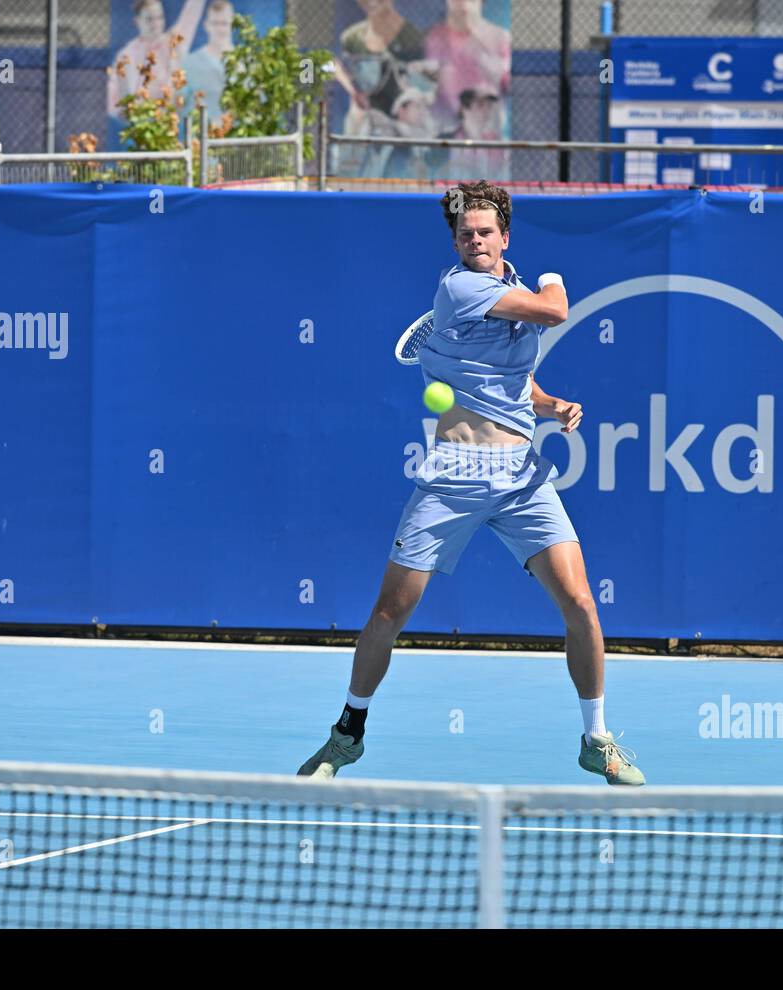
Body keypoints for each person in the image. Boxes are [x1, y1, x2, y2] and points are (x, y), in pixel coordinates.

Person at [297, 181, 645, 786]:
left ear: (504, 237)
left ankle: (598, 739)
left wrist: (553, 404)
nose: (474, 241)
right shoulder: (458, 287)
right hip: (454, 476)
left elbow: (518, 386)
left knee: (582, 603)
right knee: (390, 611)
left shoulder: (506, 293)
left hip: (521, 478)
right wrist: (555, 278)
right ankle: (347, 732)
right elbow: (556, 309)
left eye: (484, 232)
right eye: (465, 233)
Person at [425, 0, 510, 134]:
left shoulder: (499, 38)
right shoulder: (435, 38)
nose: (462, 4)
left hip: (489, 132)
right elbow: (432, 88)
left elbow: (512, 86)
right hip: (449, 130)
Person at [108, 0, 204, 117]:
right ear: (137, 21)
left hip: (173, 121)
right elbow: (115, 102)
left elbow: (192, 12)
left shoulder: (174, 41)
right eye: (149, 19)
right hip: (142, 124)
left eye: (159, 17)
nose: (156, 24)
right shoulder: (125, 55)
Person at [440, 85, 509, 181]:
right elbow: (434, 169)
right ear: (464, 108)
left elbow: (499, 173)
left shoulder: (495, 142)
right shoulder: (445, 139)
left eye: (489, 106)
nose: (486, 110)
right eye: (480, 105)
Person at [182, 0, 233, 121]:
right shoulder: (189, 63)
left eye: (224, 23)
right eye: (215, 23)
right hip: (202, 137)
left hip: (240, 138)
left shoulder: (247, 61)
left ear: (233, 24)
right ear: (206, 25)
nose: (220, 29)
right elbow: (179, 105)